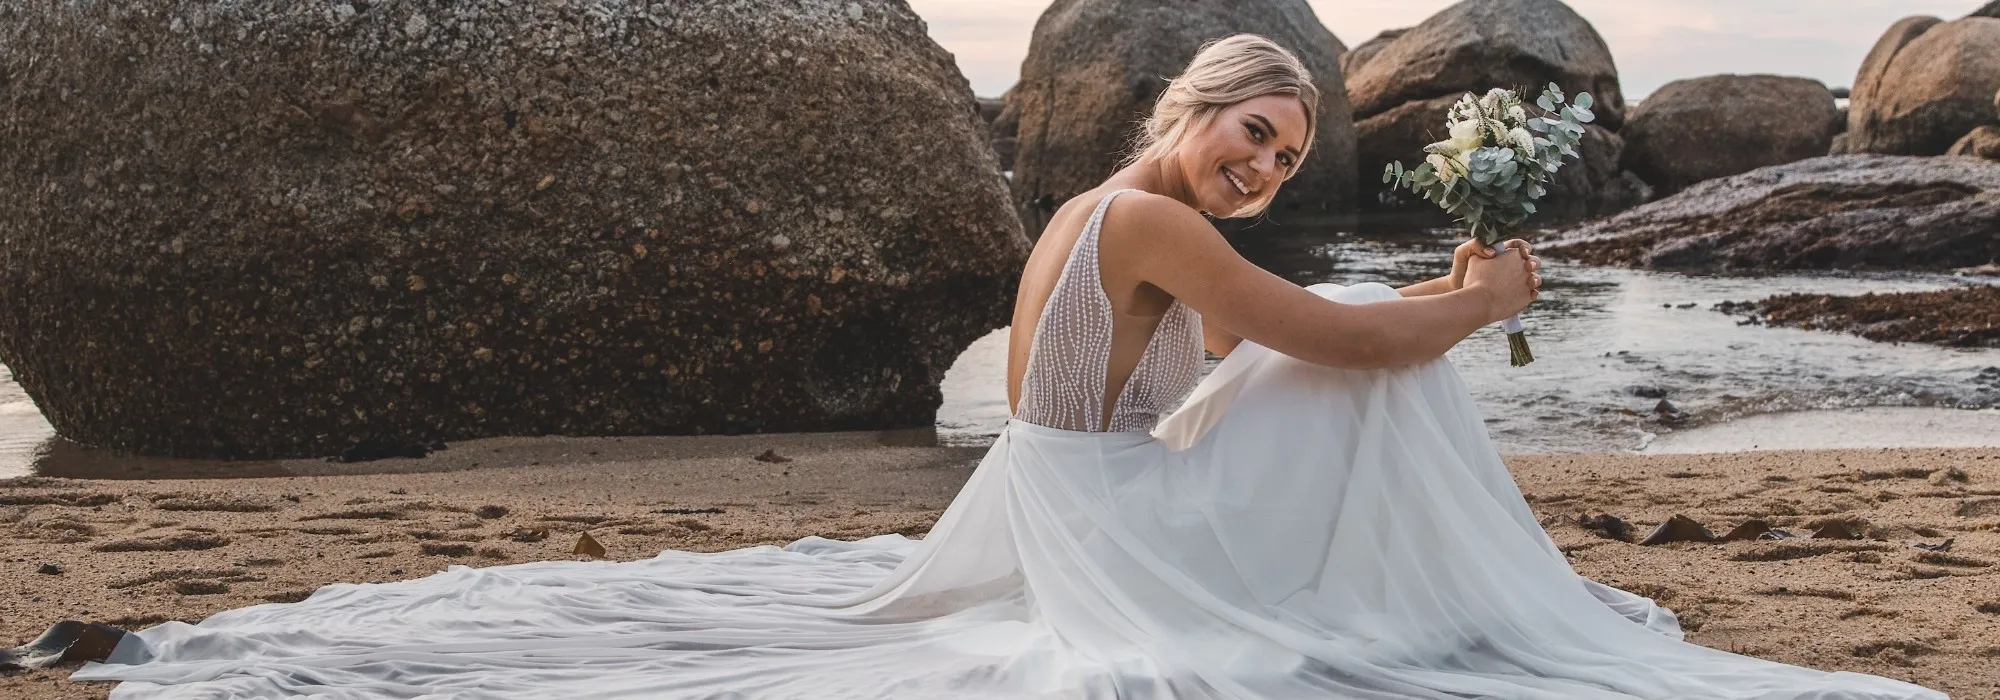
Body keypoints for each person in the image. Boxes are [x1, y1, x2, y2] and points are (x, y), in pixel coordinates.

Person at [76, 34, 1943, 699]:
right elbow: (1324, 337)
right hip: (1105, 533)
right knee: (1407, 364)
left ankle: (1441, 587)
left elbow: (1257, 346)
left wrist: (1436, 301)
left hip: (1073, 499)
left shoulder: (1109, 213)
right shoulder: (1145, 217)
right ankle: (1448, 597)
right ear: (1189, 111)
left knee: (1398, 358)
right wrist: (1480, 304)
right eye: (1252, 136)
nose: (1264, 167)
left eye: (1289, 155)